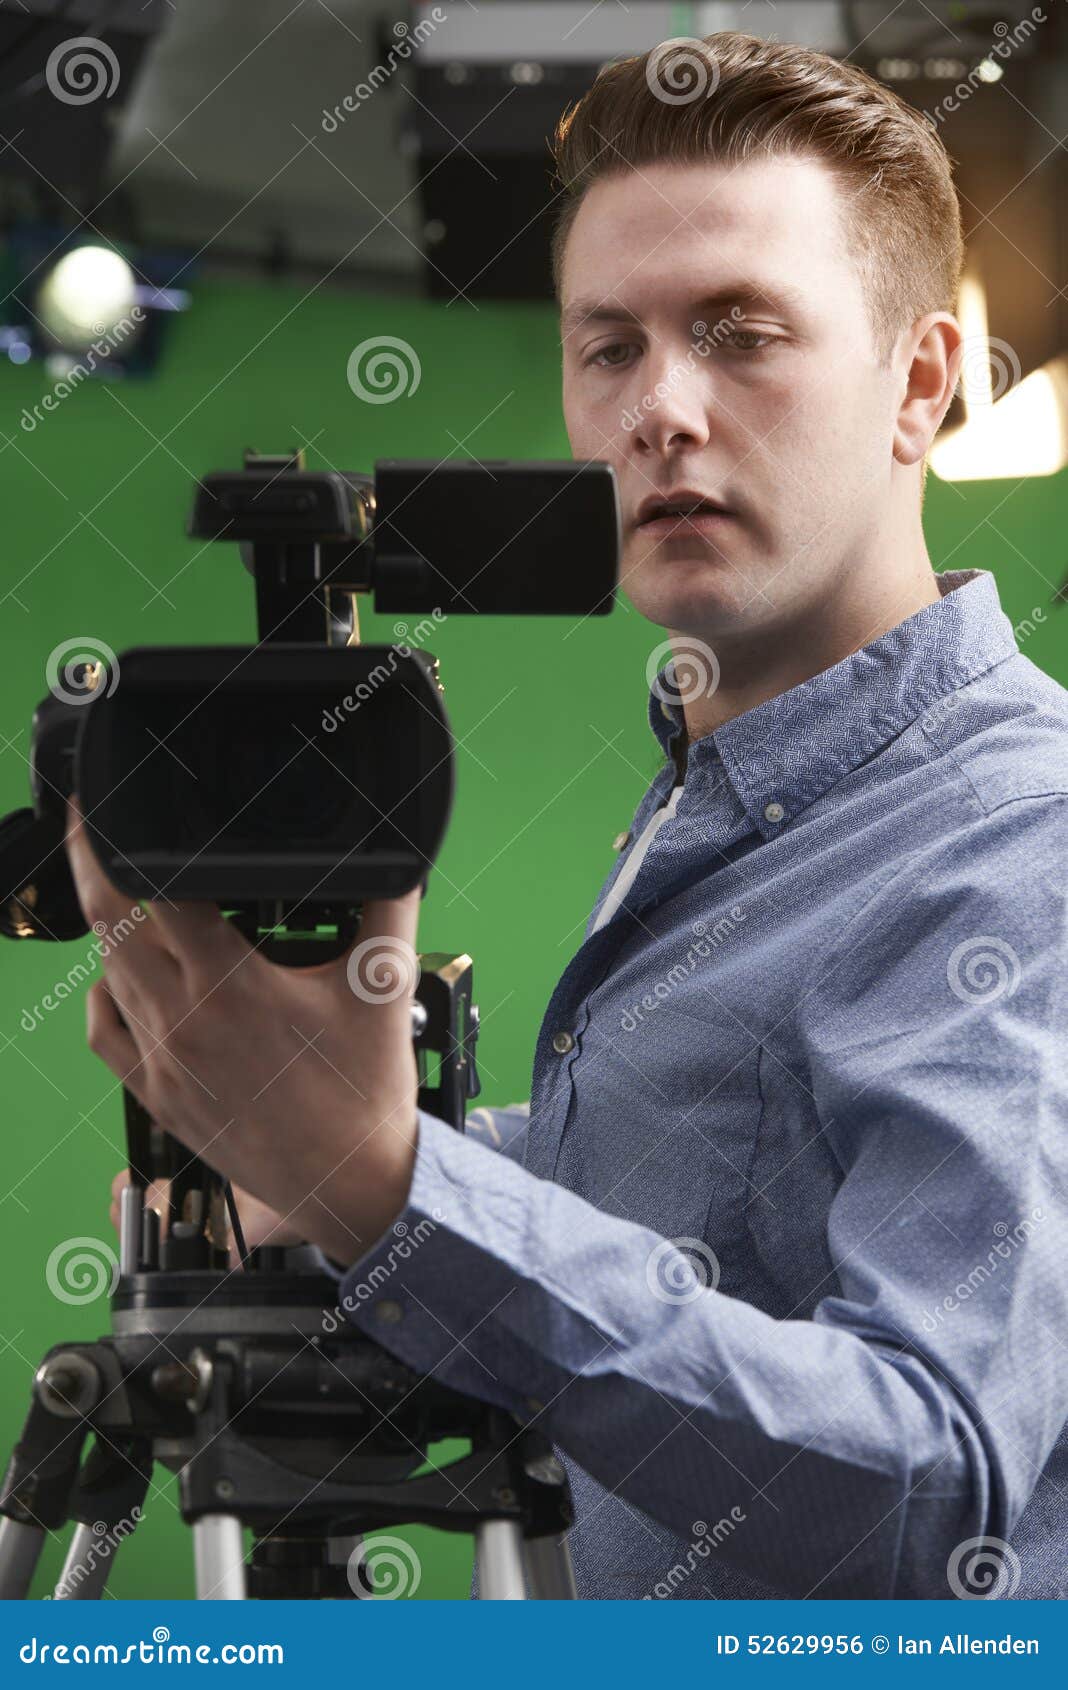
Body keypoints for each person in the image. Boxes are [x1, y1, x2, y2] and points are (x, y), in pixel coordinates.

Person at [86, 32, 1068, 1599]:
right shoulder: (730, 773)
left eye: (742, 332)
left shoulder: (1023, 835)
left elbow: (928, 1485)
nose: (660, 408)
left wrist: (392, 1190)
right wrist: (347, 1153)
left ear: (921, 382)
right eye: (608, 348)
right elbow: (716, 1197)